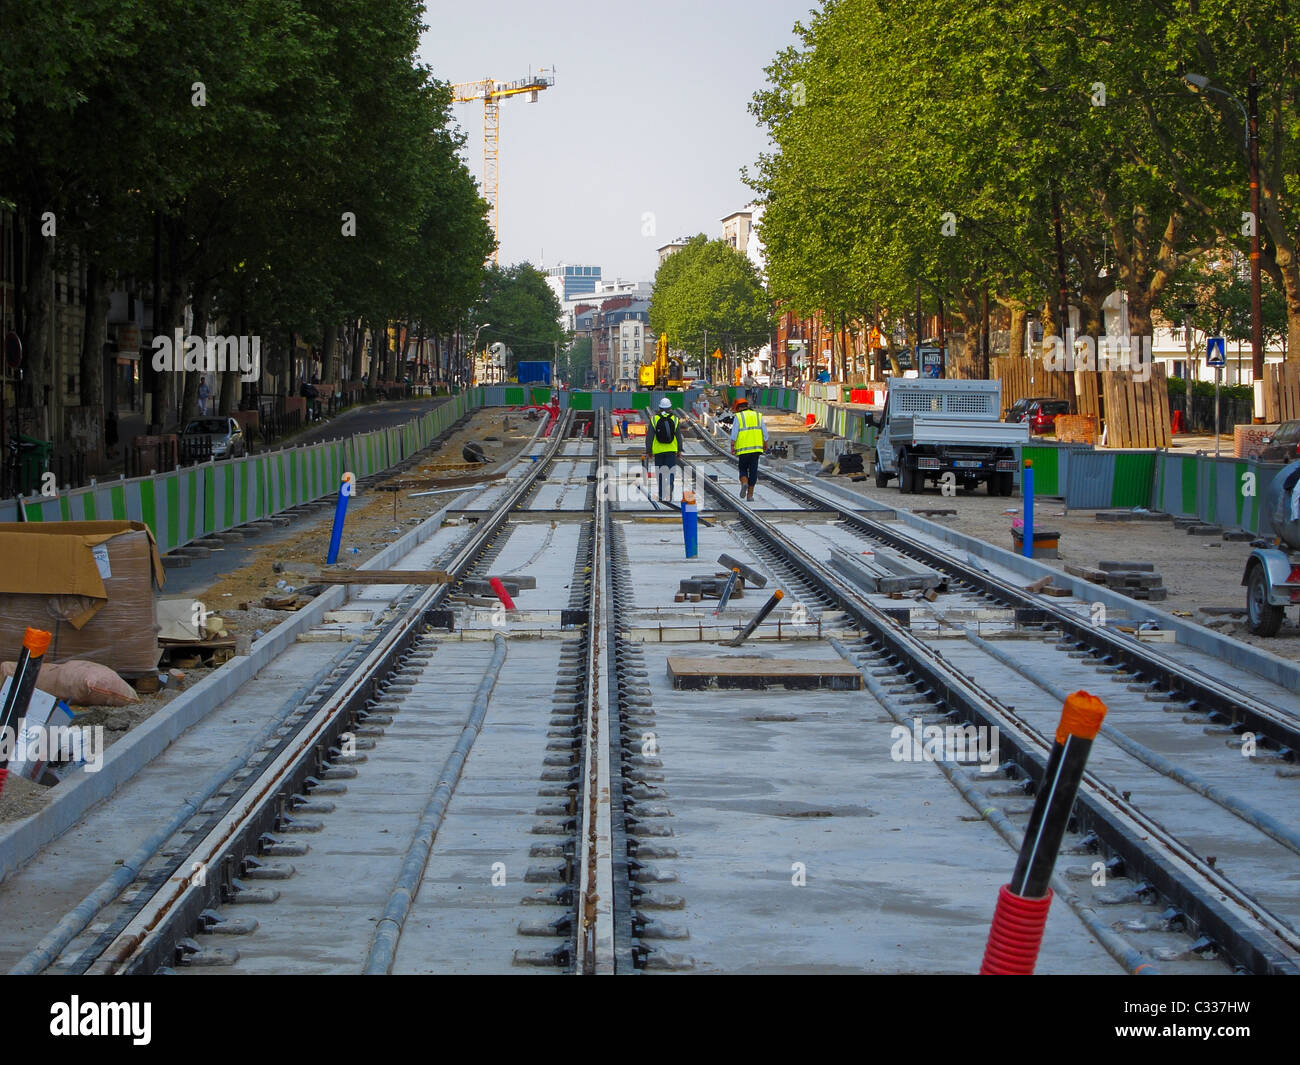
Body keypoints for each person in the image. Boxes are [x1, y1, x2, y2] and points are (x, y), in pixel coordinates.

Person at [644, 397, 683, 503]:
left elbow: (650, 437)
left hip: (658, 451)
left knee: (660, 473)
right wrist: (679, 450)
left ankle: (661, 495)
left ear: (660, 408)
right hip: (671, 451)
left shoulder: (654, 419)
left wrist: (649, 451)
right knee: (671, 472)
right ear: (670, 407)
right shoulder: (675, 419)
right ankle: (669, 492)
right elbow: (678, 436)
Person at [730, 396, 768, 501]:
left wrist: (732, 445)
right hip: (756, 449)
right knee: (753, 471)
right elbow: (764, 431)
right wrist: (765, 442)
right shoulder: (757, 415)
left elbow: (734, 433)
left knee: (742, 469)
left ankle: (744, 482)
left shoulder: (738, 417)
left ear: (738, 408)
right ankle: (750, 495)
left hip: (743, 450)